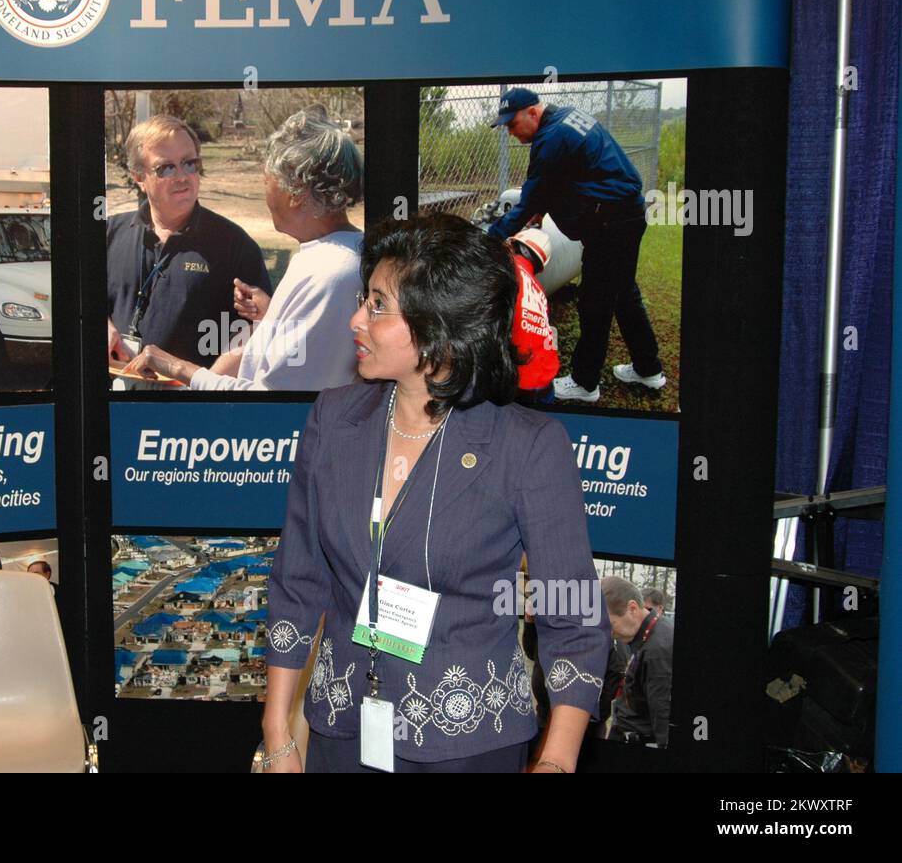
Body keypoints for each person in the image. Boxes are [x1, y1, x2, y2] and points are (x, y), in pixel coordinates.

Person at [261, 214, 610, 773]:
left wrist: (557, 761)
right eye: (363, 298)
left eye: (378, 305)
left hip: (467, 741)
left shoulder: (528, 446)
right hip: (339, 729)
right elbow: (298, 583)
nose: (356, 319)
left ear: (438, 328)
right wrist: (278, 733)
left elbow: (573, 618)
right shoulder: (333, 420)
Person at [120, 106, 363, 390]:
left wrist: (179, 369)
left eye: (267, 181)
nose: (265, 194)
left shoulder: (330, 275)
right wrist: (273, 316)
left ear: (295, 193)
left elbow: (272, 402)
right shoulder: (329, 258)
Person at [487, 87, 665, 403]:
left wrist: (485, 241)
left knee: (595, 301)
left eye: (512, 125)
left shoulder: (550, 140)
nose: (512, 134)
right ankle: (648, 369)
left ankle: (585, 383)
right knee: (623, 293)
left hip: (611, 224)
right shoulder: (567, 117)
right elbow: (566, 177)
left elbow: (529, 201)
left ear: (532, 112)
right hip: (625, 214)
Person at [105, 115, 271, 378]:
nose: (182, 177)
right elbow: (78, 298)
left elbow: (255, 329)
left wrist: (205, 387)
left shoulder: (235, 245)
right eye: (166, 168)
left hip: (191, 406)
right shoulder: (109, 233)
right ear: (138, 176)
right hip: (114, 399)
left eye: (189, 164)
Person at [602, 576, 674, 747]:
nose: (606, 633)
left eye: (609, 624)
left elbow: (663, 716)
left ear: (632, 609)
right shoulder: (641, 635)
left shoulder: (658, 651)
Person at [507, 227, 559, 401]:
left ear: (516, 246)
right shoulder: (539, 291)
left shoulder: (507, 267)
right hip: (547, 380)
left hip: (519, 385)